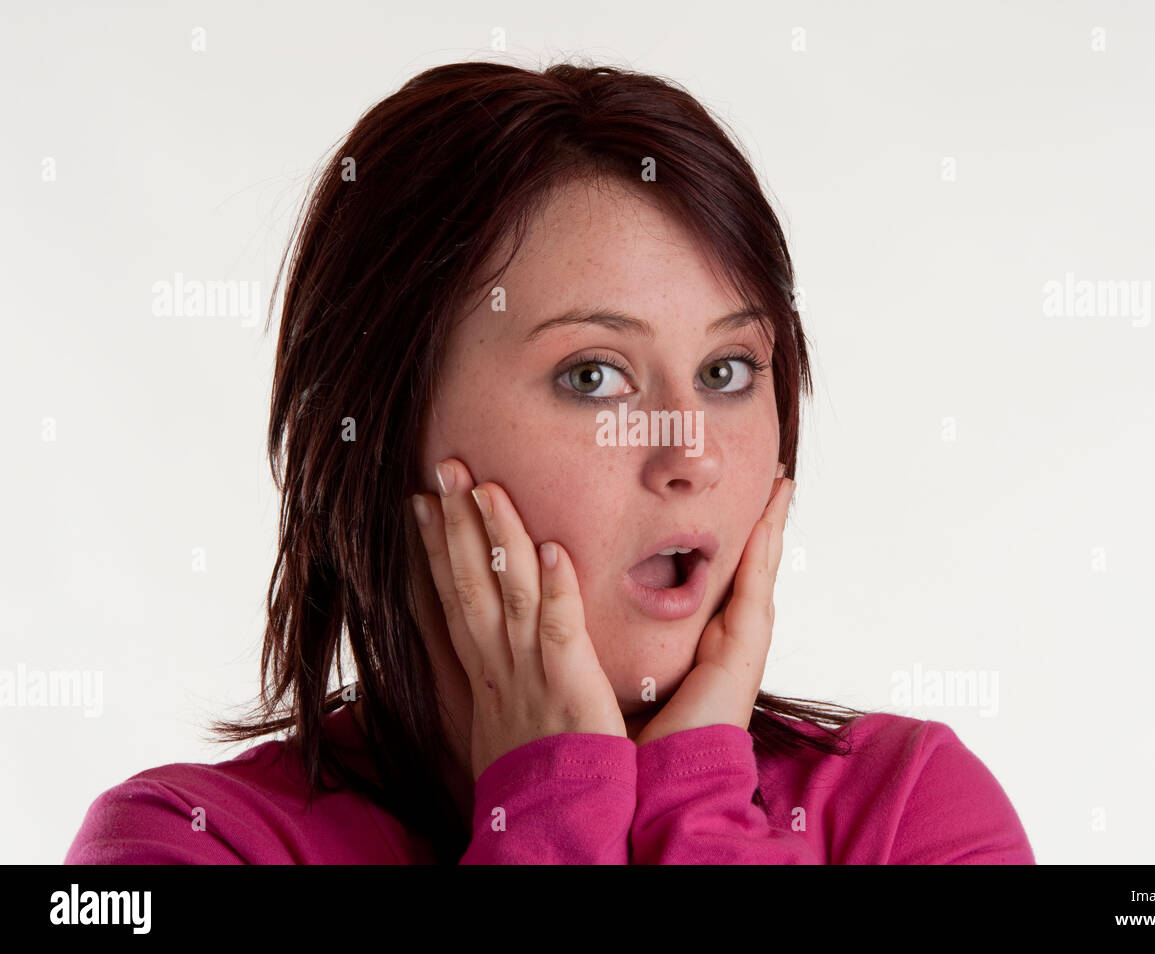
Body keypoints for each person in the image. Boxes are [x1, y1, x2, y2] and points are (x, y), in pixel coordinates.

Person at [65, 59, 1035, 864]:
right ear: (384, 424)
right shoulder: (185, 846)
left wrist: (690, 797)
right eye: (592, 377)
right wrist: (551, 807)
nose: (689, 454)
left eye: (728, 369)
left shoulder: (912, 812)